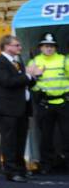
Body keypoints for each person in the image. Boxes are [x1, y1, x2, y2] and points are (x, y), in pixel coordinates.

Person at [0, 35, 33, 183]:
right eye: (17, 45)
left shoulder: (17, 62)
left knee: (20, 140)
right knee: (9, 141)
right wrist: (28, 75)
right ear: (7, 47)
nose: (19, 47)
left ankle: (21, 169)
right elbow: (7, 82)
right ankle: (11, 171)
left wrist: (31, 78)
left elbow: (23, 83)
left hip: (21, 107)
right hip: (6, 109)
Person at [27, 33, 69, 174]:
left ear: (56, 47)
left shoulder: (64, 60)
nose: (49, 49)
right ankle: (46, 164)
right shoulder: (34, 62)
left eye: (51, 46)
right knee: (45, 136)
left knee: (67, 134)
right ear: (40, 47)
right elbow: (30, 82)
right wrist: (38, 90)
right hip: (45, 103)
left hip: (64, 103)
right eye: (46, 46)